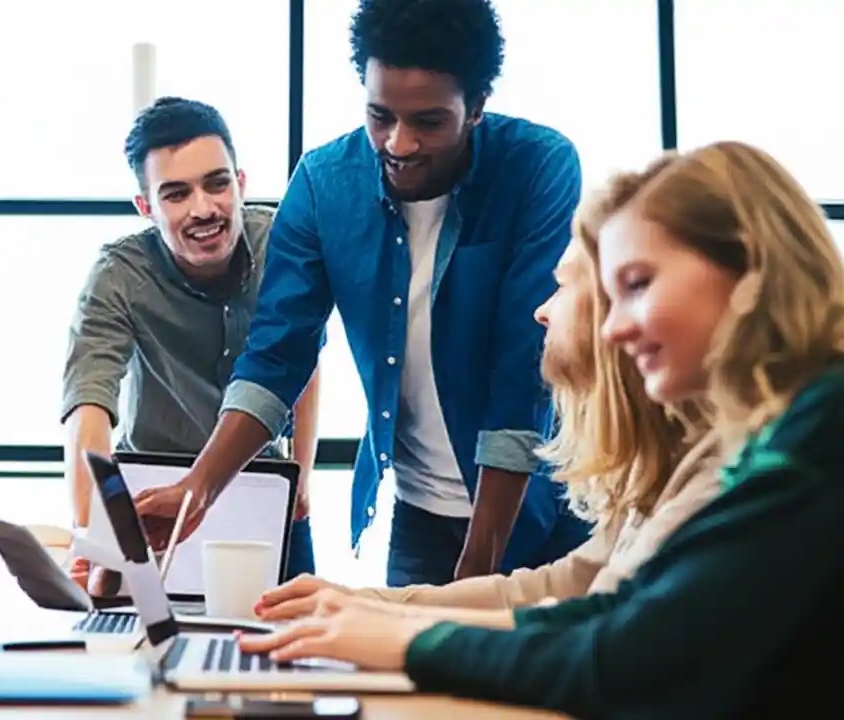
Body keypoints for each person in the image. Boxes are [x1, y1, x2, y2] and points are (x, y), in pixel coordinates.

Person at [241, 141, 844, 717]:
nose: (612, 328)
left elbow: (624, 651)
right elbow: (602, 611)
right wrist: (378, 617)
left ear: (746, 261)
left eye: (636, 286)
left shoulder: (812, 437)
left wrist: (400, 639)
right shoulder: (781, 433)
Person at [135, 0, 588, 586]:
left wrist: (480, 565)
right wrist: (197, 490)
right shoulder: (324, 184)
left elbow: (523, 368)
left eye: (429, 122)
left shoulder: (537, 166)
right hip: (421, 516)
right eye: (380, 116)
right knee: (409, 675)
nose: (399, 143)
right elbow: (277, 355)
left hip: (544, 510)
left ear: (475, 108)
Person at [254, 237, 721, 624]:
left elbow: (602, 637)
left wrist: (390, 629)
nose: (541, 311)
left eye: (562, 286)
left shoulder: (715, 473)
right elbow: (564, 586)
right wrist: (367, 605)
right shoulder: (662, 464)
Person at [63, 97, 321, 589]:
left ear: (240, 183)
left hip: (263, 484)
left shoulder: (282, 245)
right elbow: (88, 407)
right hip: (150, 491)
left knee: (287, 640)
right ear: (146, 207)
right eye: (176, 194)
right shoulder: (118, 275)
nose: (204, 209)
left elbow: (301, 362)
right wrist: (94, 529)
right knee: (136, 641)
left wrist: (302, 471)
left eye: (217, 184)